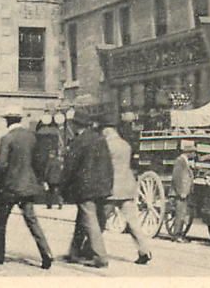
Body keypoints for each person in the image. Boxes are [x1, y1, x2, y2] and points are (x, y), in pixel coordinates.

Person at [0, 108, 53, 270]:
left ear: (8, 121)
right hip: (27, 187)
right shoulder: (31, 137)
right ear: (20, 119)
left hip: (9, 188)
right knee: (32, 221)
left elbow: (1, 166)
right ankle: (46, 253)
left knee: (0, 222)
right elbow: (39, 162)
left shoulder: (7, 138)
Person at [60, 107, 112, 268]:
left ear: (76, 125)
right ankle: (74, 252)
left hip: (85, 188)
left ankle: (100, 256)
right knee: (81, 219)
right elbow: (108, 165)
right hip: (101, 187)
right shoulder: (99, 139)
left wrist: (63, 186)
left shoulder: (78, 141)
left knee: (89, 220)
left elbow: (70, 167)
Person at [101, 120, 152, 264]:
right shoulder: (125, 145)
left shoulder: (107, 146)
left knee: (100, 220)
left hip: (112, 189)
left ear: (107, 131)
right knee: (133, 222)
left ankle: (89, 249)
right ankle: (144, 250)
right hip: (128, 187)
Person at [33, 117, 64, 209]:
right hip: (57, 179)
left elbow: (47, 170)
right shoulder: (58, 161)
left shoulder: (50, 162)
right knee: (57, 191)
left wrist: (44, 178)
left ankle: (49, 204)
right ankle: (60, 202)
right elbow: (61, 169)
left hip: (50, 179)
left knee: (49, 192)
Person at [171, 148, 195, 243]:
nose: (194, 154)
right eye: (193, 152)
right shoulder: (180, 161)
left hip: (185, 191)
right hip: (181, 192)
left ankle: (179, 234)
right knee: (180, 213)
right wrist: (181, 191)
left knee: (182, 213)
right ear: (188, 153)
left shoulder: (184, 161)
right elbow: (176, 177)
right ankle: (177, 235)